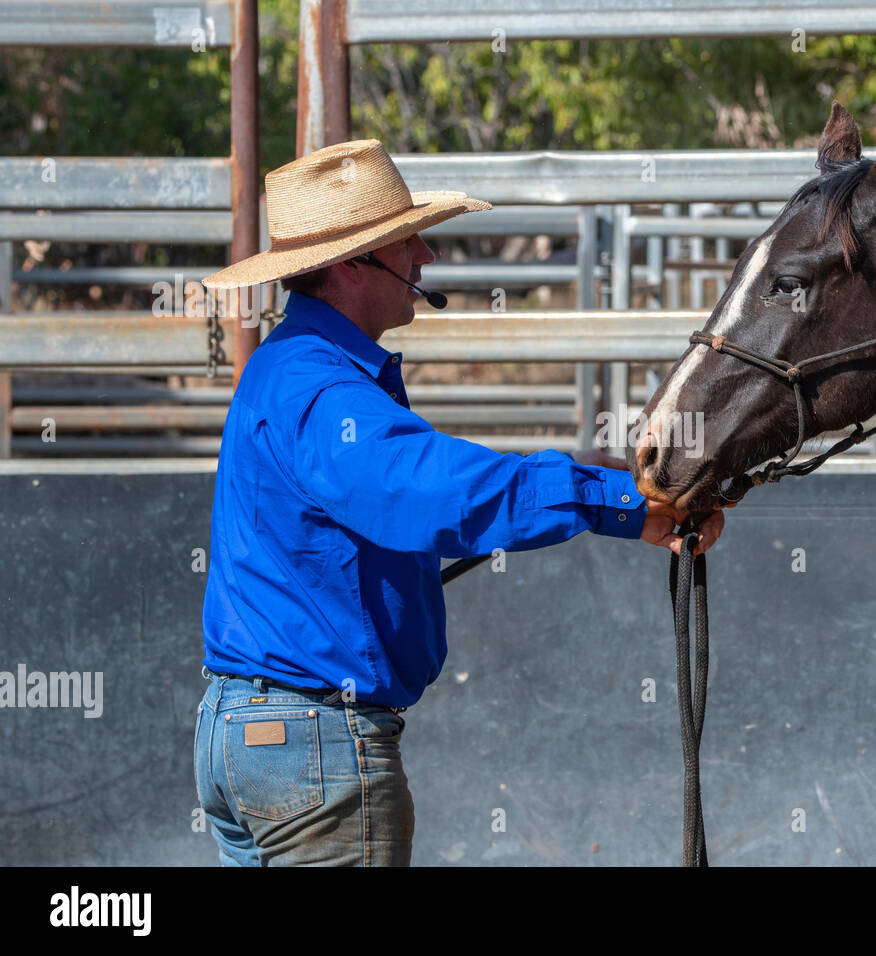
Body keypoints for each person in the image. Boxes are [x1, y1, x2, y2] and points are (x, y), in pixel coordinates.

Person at [192, 139, 724, 866]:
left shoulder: (289, 371)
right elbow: (433, 491)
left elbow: (409, 500)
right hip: (312, 745)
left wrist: (606, 486)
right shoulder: (323, 389)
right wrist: (614, 501)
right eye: (407, 240)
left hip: (255, 738)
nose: (424, 258)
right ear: (354, 263)